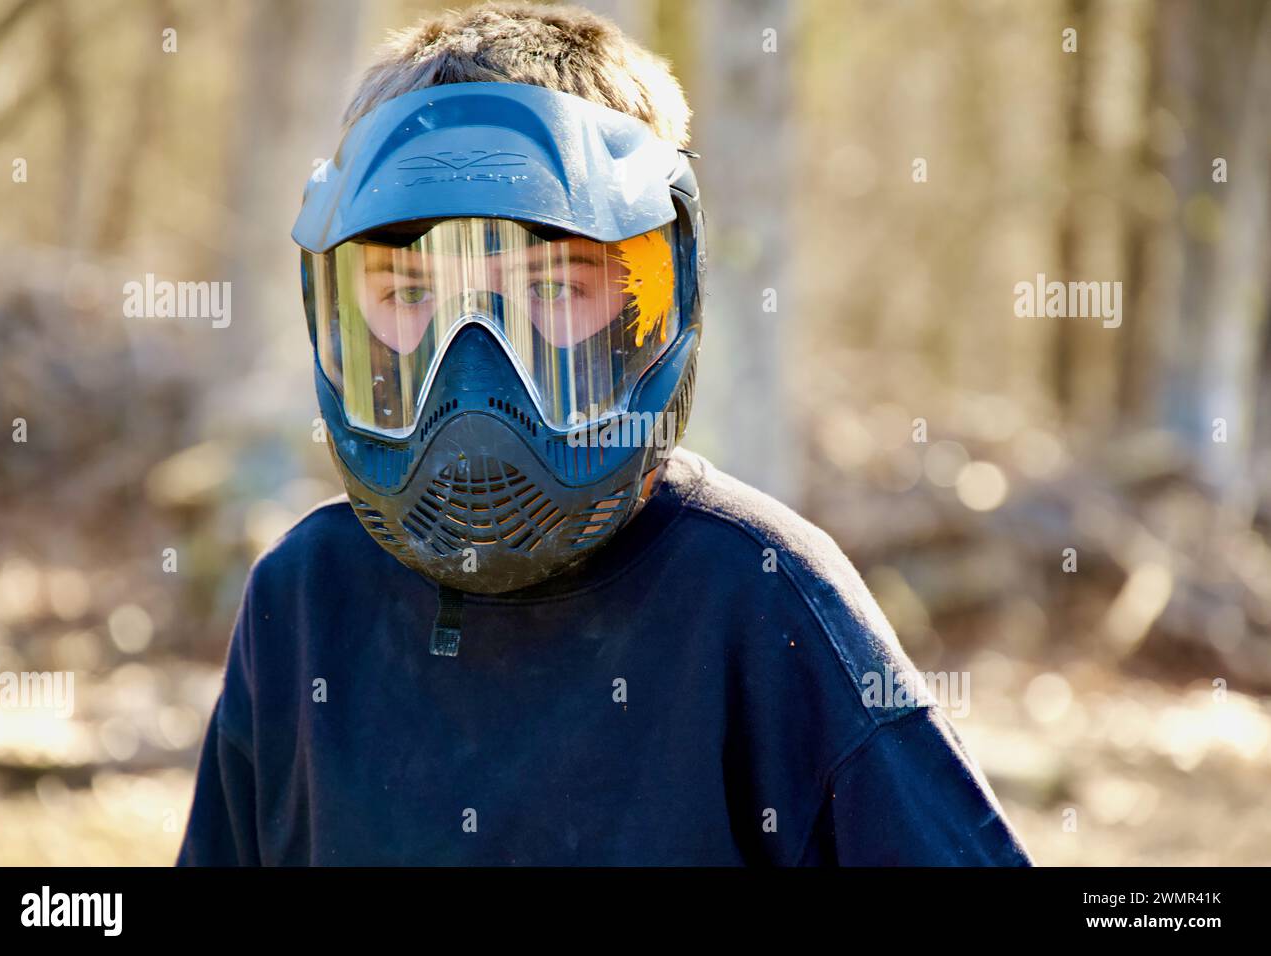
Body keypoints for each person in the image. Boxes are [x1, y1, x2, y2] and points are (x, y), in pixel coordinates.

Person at [177, 1, 1032, 866]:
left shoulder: (761, 596)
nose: (474, 375)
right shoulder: (306, 600)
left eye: (552, 288)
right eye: (408, 295)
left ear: (658, 299)